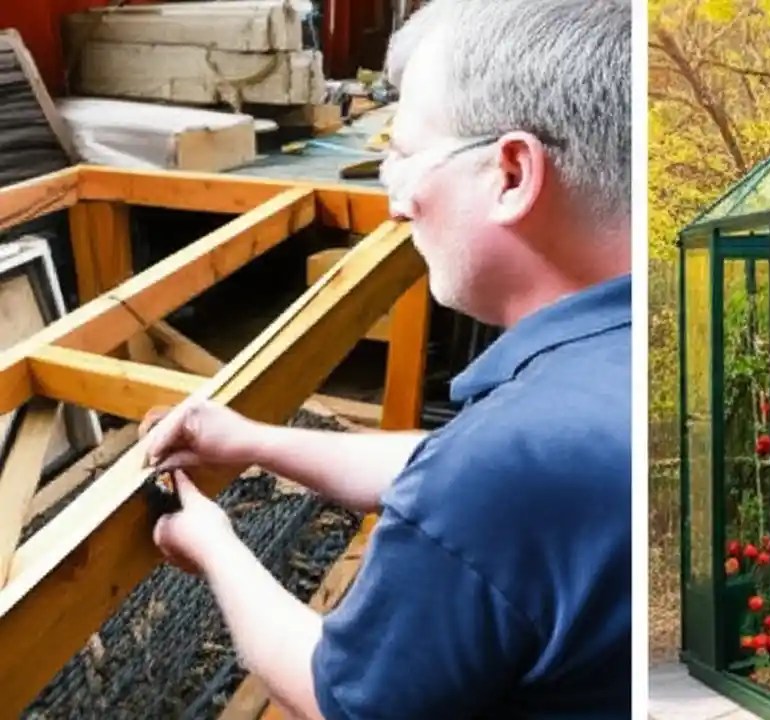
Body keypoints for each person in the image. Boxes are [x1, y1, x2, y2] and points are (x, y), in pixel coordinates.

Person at [138, 0, 632, 717]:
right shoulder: (598, 371)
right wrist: (252, 441)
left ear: (513, 173)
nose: (394, 203)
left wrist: (214, 546)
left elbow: (341, 694)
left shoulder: (510, 463)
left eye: (403, 158)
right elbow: (450, 469)